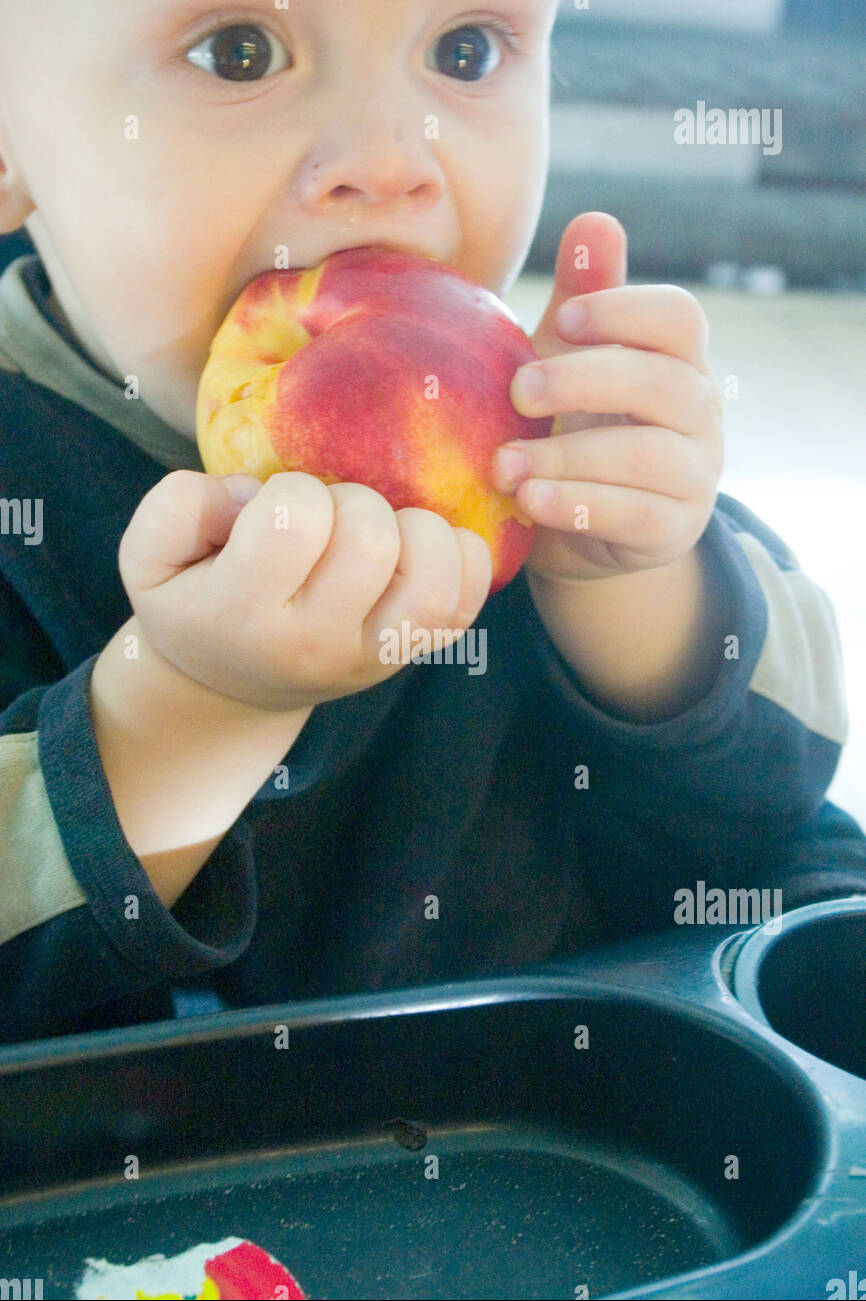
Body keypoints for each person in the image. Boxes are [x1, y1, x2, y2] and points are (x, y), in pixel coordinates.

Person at [1, 1, 864, 1045]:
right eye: (239, 53)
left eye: (466, 50)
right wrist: (191, 711)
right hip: (184, 1156)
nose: (389, 159)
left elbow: (776, 795)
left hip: (578, 1116)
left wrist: (631, 590)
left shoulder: (535, 421)